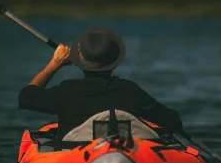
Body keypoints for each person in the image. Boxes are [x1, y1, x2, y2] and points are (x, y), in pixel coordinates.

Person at [18, 25, 185, 141]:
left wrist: (55, 64)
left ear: (79, 61)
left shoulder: (67, 91)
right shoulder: (130, 91)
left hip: (75, 159)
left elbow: (26, 97)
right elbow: (173, 121)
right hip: (122, 159)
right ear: (114, 61)